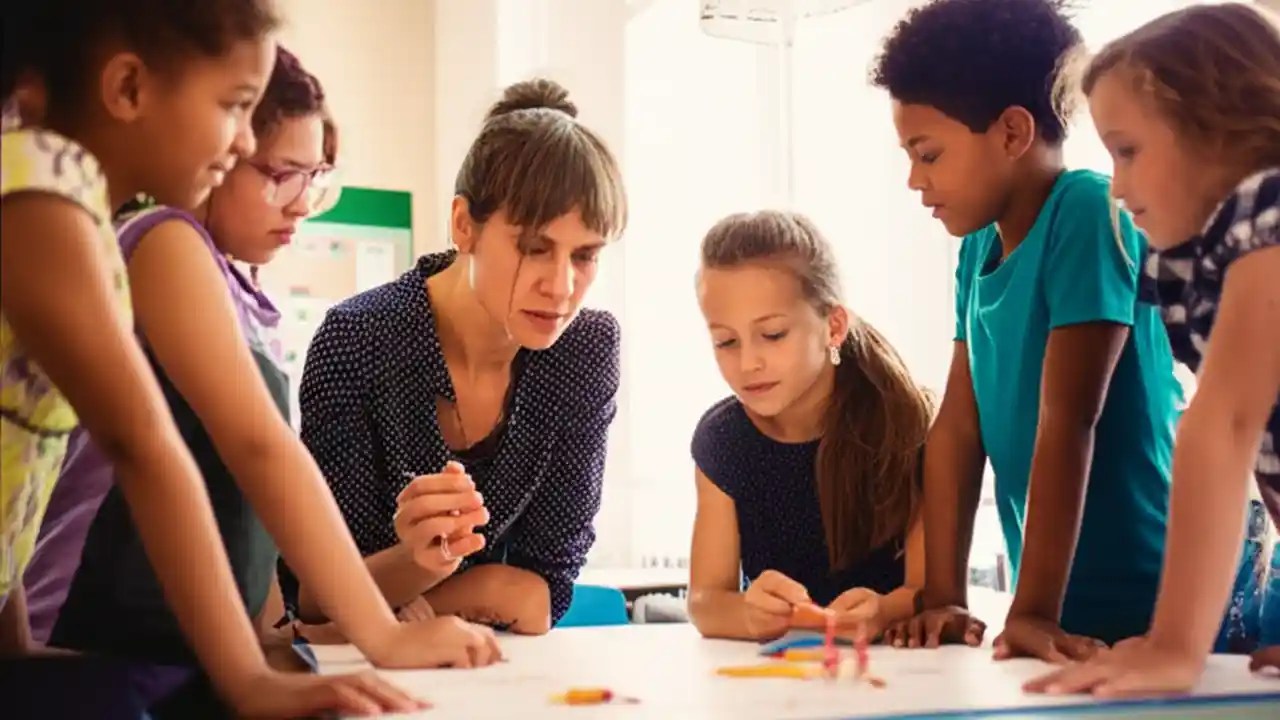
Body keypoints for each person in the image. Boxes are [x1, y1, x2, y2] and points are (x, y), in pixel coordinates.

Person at [23, 45, 498, 715]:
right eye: (280, 173)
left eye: (316, 177)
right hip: (101, 643)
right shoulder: (164, 241)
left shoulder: (234, 286)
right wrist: (383, 635)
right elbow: (260, 450)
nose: (303, 203)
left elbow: (248, 510)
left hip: (178, 649)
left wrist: (278, 637)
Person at [870, 0, 1186, 659]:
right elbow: (958, 428)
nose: (911, 179)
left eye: (927, 154)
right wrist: (944, 598)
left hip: (1149, 603)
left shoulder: (1085, 212)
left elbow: (1070, 418)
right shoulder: (975, 248)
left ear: (1013, 133)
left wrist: (1034, 611)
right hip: (1055, 610)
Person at [284, 77, 627, 635]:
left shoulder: (585, 351)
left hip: (498, 671)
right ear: (464, 225)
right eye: (535, 248)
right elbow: (319, 597)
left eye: (585, 256)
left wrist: (402, 602)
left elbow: (544, 593)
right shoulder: (359, 340)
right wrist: (423, 564)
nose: (562, 286)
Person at [1027, 2, 1280, 697]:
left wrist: (1175, 646)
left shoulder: (1270, 211)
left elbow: (1225, 426)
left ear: (1219, 127)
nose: (1116, 185)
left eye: (1128, 150)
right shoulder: (1192, 267)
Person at [686, 210, 932, 642]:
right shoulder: (722, 439)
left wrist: (884, 611)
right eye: (725, 341)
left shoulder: (909, 424)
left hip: (898, 677)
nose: (748, 363)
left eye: (774, 334)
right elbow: (705, 602)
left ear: (833, 326)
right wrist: (748, 614)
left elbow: (935, 590)